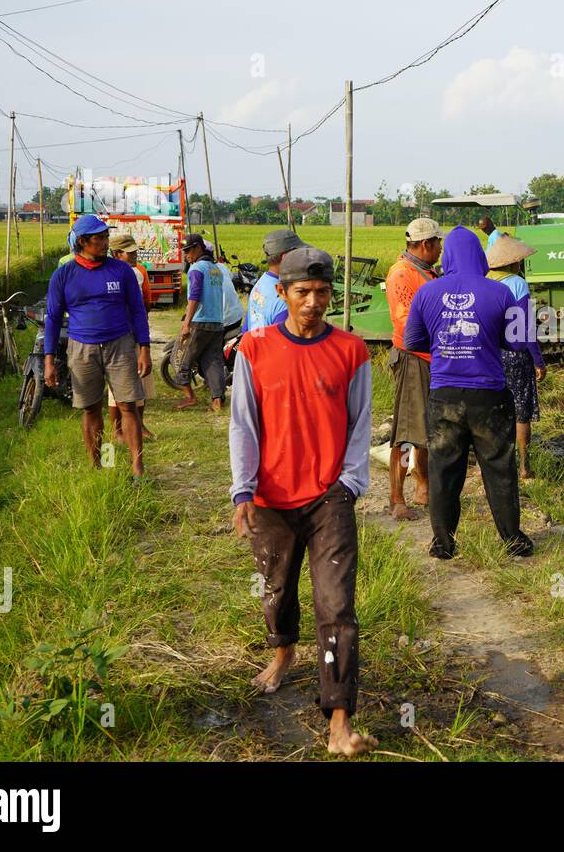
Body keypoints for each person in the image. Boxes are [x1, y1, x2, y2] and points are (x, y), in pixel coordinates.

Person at [229, 246, 375, 757]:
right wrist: (242, 488)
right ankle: (284, 651)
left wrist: (351, 482)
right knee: (276, 588)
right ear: (283, 293)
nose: (312, 302)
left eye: (321, 292)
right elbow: (243, 424)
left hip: (328, 497)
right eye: (301, 292)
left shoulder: (352, 351)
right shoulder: (254, 349)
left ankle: (339, 717)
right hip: (270, 497)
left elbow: (361, 424)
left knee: (336, 605)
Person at [403, 226, 536, 560]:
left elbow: (411, 342)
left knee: (444, 470)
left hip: (444, 395)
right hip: (489, 396)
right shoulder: (501, 292)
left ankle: (443, 544)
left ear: (447, 257)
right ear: (479, 256)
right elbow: (518, 341)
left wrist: (444, 343)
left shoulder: (427, 293)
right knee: (499, 468)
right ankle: (513, 540)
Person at [44, 214, 152, 479]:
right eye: (100, 238)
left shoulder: (121, 271)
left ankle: (138, 469)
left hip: (120, 346)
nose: (105, 242)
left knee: (128, 406)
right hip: (82, 349)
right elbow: (53, 318)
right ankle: (102, 463)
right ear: (83, 241)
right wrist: (49, 360)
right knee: (92, 408)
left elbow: (138, 310)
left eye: (105, 236)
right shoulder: (64, 275)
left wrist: (144, 348)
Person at [384, 217, 442, 521]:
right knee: (407, 431)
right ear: (425, 245)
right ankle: (396, 498)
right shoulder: (402, 274)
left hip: (428, 357)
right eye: (438, 244)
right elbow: (406, 325)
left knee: (426, 428)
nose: (441, 249)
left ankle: (424, 487)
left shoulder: (425, 272)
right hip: (412, 357)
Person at [486, 235, 546, 478]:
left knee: (493, 409)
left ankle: (492, 464)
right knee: (521, 409)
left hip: (489, 354)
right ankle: (523, 466)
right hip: (514, 354)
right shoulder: (517, 283)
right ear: (512, 263)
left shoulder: (484, 280)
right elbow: (525, 326)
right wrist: (538, 361)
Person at [107, 233, 156, 442]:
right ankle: (117, 431)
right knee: (115, 388)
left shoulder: (139, 271)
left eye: (135, 250)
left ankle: (140, 426)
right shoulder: (108, 274)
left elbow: (145, 303)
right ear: (118, 254)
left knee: (142, 381)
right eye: (130, 252)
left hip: (135, 333)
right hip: (117, 335)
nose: (135, 254)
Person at [174, 233, 228, 411]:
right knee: (213, 363)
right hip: (217, 322)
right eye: (184, 251)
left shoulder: (196, 269)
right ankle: (217, 401)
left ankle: (190, 397)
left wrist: (186, 323)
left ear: (198, 248)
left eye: (188, 250)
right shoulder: (216, 269)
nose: (186, 255)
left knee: (179, 359)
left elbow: (194, 296)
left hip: (200, 321)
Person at [243, 229, 306, 332]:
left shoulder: (260, 284)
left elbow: (246, 328)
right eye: (299, 254)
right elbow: (282, 344)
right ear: (286, 257)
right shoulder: (286, 301)